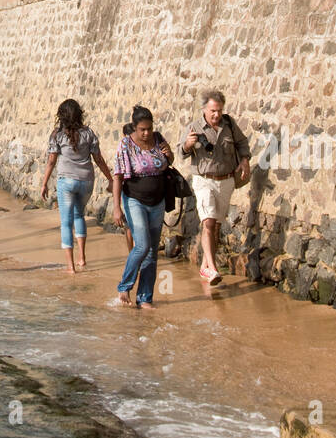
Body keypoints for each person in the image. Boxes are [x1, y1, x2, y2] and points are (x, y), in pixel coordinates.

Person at [178, 90, 251, 286]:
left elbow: (242, 143)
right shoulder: (194, 127)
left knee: (216, 227)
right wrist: (187, 145)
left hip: (226, 180)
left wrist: (245, 160)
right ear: (204, 109)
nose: (216, 115)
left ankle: (205, 266)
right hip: (204, 180)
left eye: (219, 110)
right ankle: (213, 268)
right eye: (212, 111)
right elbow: (181, 152)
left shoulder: (229, 125)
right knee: (208, 223)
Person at [40, 99, 113, 273]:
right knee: (79, 215)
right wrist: (110, 178)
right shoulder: (88, 133)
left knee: (66, 223)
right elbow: (99, 159)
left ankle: (71, 267)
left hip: (66, 181)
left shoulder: (57, 135)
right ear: (79, 114)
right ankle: (82, 258)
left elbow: (51, 161)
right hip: (86, 180)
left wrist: (44, 184)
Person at [112, 106, 174, 308]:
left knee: (152, 253)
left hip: (158, 201)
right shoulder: (125, 144)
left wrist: (169, 154)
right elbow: (118, 177)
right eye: (142, 130)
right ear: (135, 128)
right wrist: (116, 207)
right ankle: (124, 286)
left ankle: (145, 298)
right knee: (142, 246)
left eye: (149, 128)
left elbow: (167, 162)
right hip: (134, 200)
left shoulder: (158, 138)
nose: (147, 133)